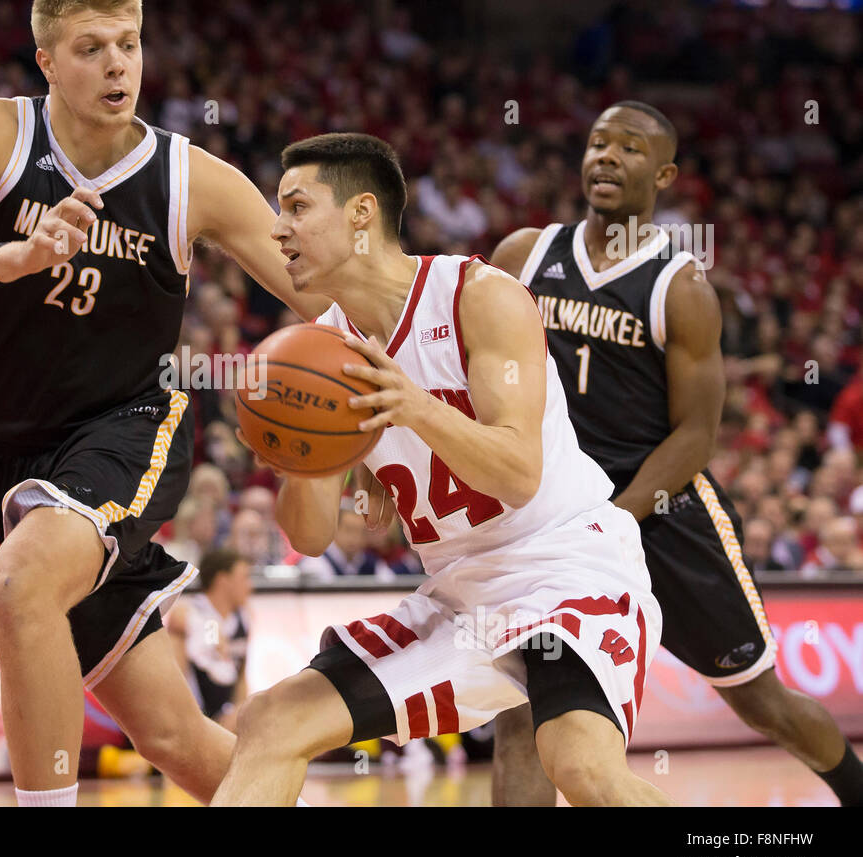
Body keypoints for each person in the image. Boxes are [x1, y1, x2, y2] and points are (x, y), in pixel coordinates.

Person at [0, 0, 325, 807]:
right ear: (46, 61)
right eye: (91, 49)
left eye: (129, 45)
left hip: (133, 423)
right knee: (170, 733)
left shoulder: (187, 176)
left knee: (19, 583)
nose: (118, 65)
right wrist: (10, 258)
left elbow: (319, 289)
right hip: (17, 454)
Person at [211, 132, 668, 806]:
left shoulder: (478, 295)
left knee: (581, 766)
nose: (278, 230)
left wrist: (413, 405)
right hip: (461, 594)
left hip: (567, 566)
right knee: (271, 720)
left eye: (297, 207)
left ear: (361, 213)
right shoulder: (321, 351)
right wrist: (300, 455)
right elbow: (308, 538)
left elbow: (518, 473)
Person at [490, 101, 863, 807]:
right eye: (598, 142)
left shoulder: (680, 285)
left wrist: (614, 517)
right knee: (522, 712)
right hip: (549, 514)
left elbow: (695, 434)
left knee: (760, 700)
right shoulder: (524, 256)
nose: (606, 157)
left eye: (629, 149)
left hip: (662, 509)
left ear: (663, 174)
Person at [166, 549, 252, 729]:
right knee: (175, 641)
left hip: (224, 713)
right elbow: (179, 619)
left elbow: (241, 676)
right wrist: (212, 632)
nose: (250, 586)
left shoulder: (244, 618)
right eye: (244, 578)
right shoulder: (193, 610)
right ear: (223, 581)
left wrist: (241, 711)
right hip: (191, 713)